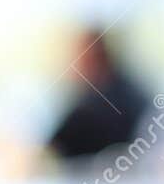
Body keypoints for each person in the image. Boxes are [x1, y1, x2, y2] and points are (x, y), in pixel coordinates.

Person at [44, 25, 152, 162]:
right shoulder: (134, 92)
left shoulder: (94, 106)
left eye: (77, 58)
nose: (72, 66)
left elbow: (54, 149)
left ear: (93, 57)